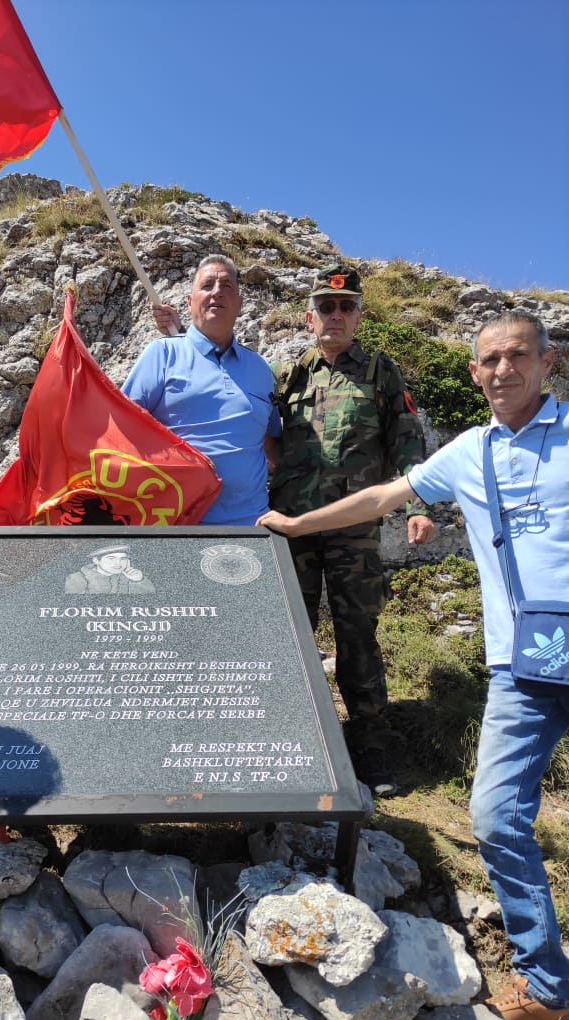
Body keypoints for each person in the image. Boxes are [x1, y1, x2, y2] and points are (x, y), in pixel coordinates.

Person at [258, 309, 569, 1020]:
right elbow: (381, 497)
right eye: (489, 360)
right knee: (495, 818)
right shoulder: (467, 452)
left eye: (517, 356)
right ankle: (550, 989)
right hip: (521, 670)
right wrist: (301, 525)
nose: (502, 370)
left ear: (547, 361)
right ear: (473, 373)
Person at [153, 263, 434, 796]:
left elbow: (407, 442)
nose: (336, 314)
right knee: (288, 637)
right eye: (326, 307)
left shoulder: (380, 371)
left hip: (354, 527)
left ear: (358, 316)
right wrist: (174, 339)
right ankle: (294, 735)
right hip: (290, 528)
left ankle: (371, 746)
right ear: (310, 316)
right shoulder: (286, 374)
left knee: (358, 638)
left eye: (346, 306)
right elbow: (235, 402)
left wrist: (417, 504)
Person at [124, 255, 281, 525]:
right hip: (177, 528)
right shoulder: (162, 354)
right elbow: (122, 431)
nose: (217, 292)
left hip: (252, 528)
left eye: (227, 286)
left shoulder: (260, 369)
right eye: (207, 285)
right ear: (190, 301)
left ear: (240, 304)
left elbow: (272, 445)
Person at [65, 543, 156, 594]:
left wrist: (138, 581)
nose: (118, 563)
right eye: (111, 558)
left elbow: (150, 602)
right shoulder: (77, 579)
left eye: (123, 559)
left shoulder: (130, 577)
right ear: (96, 560)